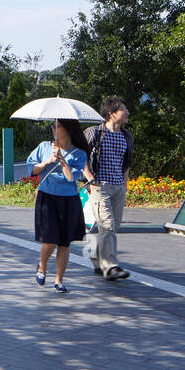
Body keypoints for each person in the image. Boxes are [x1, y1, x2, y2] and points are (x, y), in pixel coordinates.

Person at [26, 119, 90, 293]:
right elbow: (32, 170)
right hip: (47, 197)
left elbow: (71, 178)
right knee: (49, 239)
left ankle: (59, 280)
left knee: (64, 242)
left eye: (58, 126)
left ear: (68, 130)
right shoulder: (44, 147)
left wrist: (61, 159)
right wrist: (47, 161)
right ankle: (41, 267)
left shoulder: (79, 154)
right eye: (53, 126)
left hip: (69, 200)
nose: (53, 129)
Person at [82, 97, 134, 281]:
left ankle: (97, 261)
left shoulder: (126, 136)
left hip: (118, 186)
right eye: (123, 109)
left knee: (112, 227)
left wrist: (124, 186)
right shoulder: (94, 132)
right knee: (108, 225)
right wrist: (91, 180)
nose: (127, 112)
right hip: (99, 186)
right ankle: (110, 266)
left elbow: (127, 163)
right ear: (111, 113)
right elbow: (81, 157)